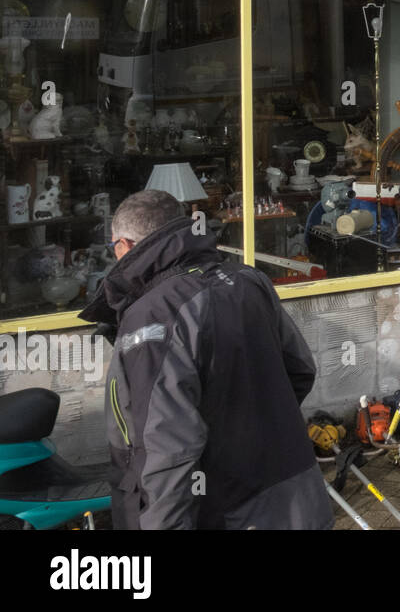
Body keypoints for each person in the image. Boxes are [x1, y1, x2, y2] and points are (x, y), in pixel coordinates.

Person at [79, 189, 332, 529]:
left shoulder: (154, 316)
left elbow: (165, 453)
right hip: (296, 499)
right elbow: (300, 369)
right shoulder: (247, 280)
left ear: (124, 245)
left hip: (227, 510)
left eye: (114, 249)